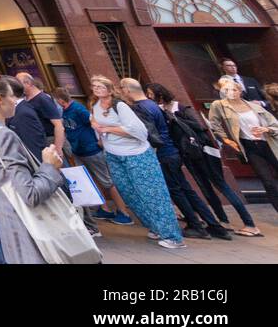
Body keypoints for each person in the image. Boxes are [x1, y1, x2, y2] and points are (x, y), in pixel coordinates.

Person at [0, 75, 70, 264]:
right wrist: (49, 167)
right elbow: (30, 193)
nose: (17, 102)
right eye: (13, 97)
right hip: (31, 228)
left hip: (10, 224)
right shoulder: (3, 135)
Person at [146, 83, 261, 237]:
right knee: (205, 187)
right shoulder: (161, 110)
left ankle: (249, 223)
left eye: (150, 93)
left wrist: (174, 118)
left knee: (221, 185)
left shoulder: (179, 107)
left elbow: (199, 126)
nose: (149, 97)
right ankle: (222, 220)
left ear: (158, 93)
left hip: (204, 152)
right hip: (188, 154)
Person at [122, 77, 229, 240]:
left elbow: (151, 135)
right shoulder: (152, 104)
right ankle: (214, 225)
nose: (122, 93)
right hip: (173, 151)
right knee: (186, 189)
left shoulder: (139, 108)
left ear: (127, 90)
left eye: (122, 89)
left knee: (177, 191)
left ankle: (196, 225)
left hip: (163, 154)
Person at [89, 75, 183, 249]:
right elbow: (98, 127)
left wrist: (108, 129)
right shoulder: (94, 106)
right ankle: (155, 227)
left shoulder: (120, 105)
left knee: (152, 193)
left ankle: (172, 236)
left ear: (110, 89)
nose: (97, 89)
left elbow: (138, 130)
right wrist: (100, 132)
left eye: (101, 86)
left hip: (136, 153)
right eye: (94, 86)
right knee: (129, 193)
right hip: (113, 154)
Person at [52, 88, 133, 227]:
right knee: (91, 179)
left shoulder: (77, 109)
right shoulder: (63, 112)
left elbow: (94, 122)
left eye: (55, 100)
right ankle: (104, 208)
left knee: (106, 180)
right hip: (78, 150)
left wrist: (101, 139)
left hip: (91, 149)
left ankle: (124, 212)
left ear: (60, 100)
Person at [208, 76, 278, 217]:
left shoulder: (254, 106)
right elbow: (214, 124)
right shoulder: (220, 106)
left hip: (269, 144)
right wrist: (227, 140)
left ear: (240, 90)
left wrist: (267, 129)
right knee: (267, 181)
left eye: (234, 89)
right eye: (226, 90)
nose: (231, 92)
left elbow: (274, 124)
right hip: (250, 147)